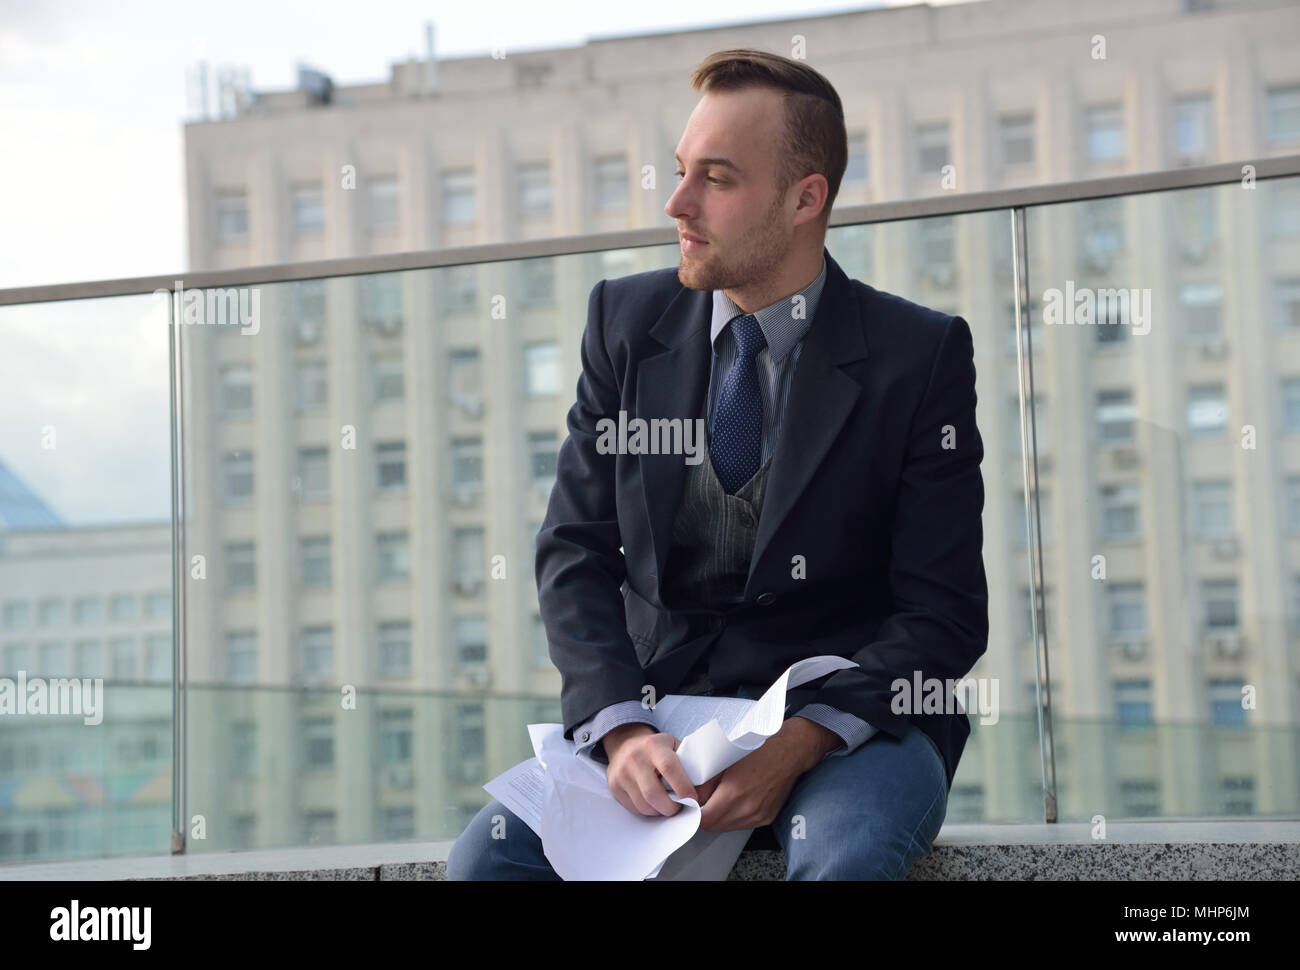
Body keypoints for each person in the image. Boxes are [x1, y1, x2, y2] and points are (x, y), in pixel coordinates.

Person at [448, 47, 988, 881]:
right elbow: (575, 551)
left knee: (844, 861)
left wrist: (800, 741)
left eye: (717, 179)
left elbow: (943, 613)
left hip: (853, 721)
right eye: (679, 172)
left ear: (806, 198)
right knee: (484, 864)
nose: (677, 203)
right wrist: (621, 727)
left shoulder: (918, 356)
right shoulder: (624, 323)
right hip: (664, 721)